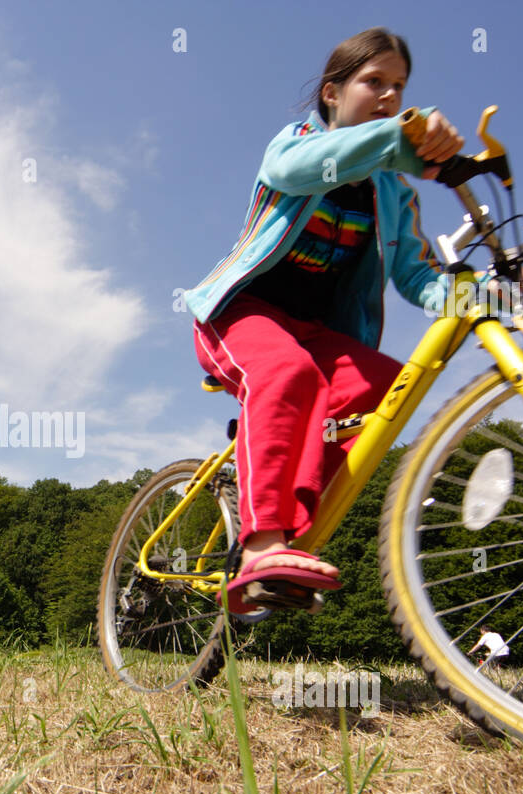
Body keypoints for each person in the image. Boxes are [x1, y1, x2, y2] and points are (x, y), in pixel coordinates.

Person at [183, 28, 468, 613]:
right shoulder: (297, 144)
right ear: (333, 94)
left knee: (388, 389)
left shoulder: (394, 192)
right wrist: (406, 133)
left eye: (400, 87)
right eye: (374, 82)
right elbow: (302, 170)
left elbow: (417, 278)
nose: (389, 95)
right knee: (288, 373)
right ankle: (262, 540)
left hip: (316, 335)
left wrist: (481, 293)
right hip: (239, 312)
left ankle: (292, 535)